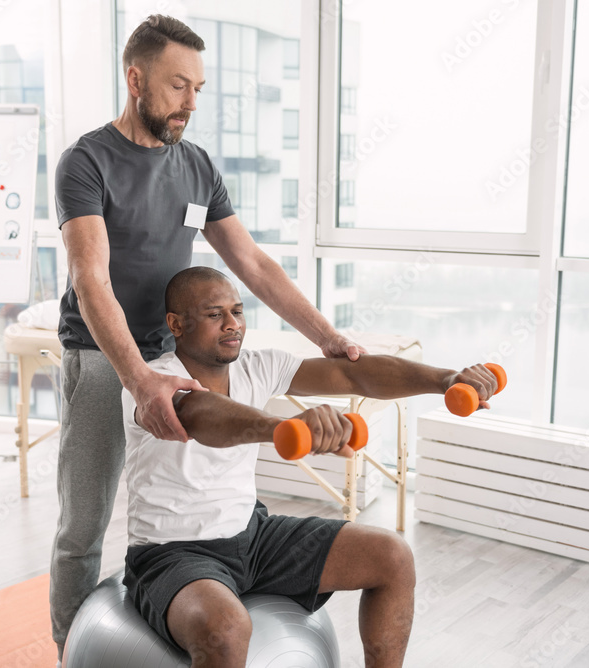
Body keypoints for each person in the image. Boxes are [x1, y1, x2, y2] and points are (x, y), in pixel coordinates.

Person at [50, 15, 365, 661]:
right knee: (84, 525)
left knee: (190, 505)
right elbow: (92, 278)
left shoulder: (195, 165)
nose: (191, 102)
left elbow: (252, 263)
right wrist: (140, 378)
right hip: (104, 357)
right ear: (135, 79)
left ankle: (203, 586)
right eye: (176, 85)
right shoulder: (86, 161)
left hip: (177, 356)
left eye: (198, 87)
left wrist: (327, 336)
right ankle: (67, 650)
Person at [120, 267, 501, 668]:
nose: (233, 325)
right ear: (176, 324)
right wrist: (285, 428)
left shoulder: (255, 367)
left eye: (238, 311)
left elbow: (353, 374)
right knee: (227, 629)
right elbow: (200, 414)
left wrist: (447, 379)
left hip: (253, 537)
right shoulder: (152, 384)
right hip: (172, 552)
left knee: (392, 556)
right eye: (215, 315)